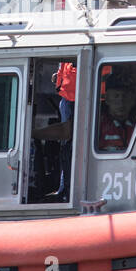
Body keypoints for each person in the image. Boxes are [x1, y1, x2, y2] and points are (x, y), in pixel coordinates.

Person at [53, 62, 76, 196]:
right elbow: (62, 66)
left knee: (72, 146)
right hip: (66, 97)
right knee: (66, 146)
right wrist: (58, 85)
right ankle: (64, 187)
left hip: (79, 97)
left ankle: (66, 188)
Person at [97, 79, 136, 153]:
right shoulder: (97, 124)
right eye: (116, 96)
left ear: (132, 100)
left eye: (125, 96)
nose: (121, 101)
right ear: (107, 99)